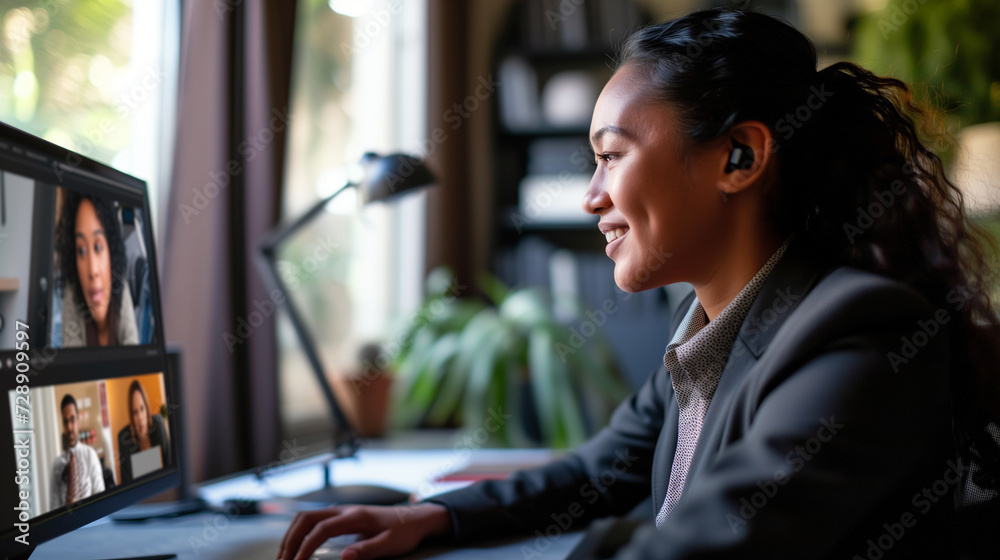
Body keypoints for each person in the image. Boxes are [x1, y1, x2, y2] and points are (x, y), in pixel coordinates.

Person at [277, 8, 1000, 560]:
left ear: (739, 156)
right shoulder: (712, 327)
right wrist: (437, 516)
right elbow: (596, 470)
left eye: (610, 156)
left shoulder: (862, 333)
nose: (591, 197)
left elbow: (713, 542)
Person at [56, 190, 139, 347]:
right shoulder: (71, 296)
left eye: (98, 247)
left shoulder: (120, 286)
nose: (92, 270)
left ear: (111, 251)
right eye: (81, 250)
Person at [50, 394, 106, 511]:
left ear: (78, 421)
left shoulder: (90, 455)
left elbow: (101, 498)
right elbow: (54, 508)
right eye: (65, 422)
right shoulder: (57, 465)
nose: (69, 427)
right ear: (63, 426)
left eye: (72, 420)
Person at [117, 380, 171, 484]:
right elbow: (126, 483)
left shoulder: (158, 424)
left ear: (147, 408)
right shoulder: (124, 438)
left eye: (142, 409)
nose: (140, 417)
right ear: (131, 416)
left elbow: (169, 464)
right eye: (135, 412)